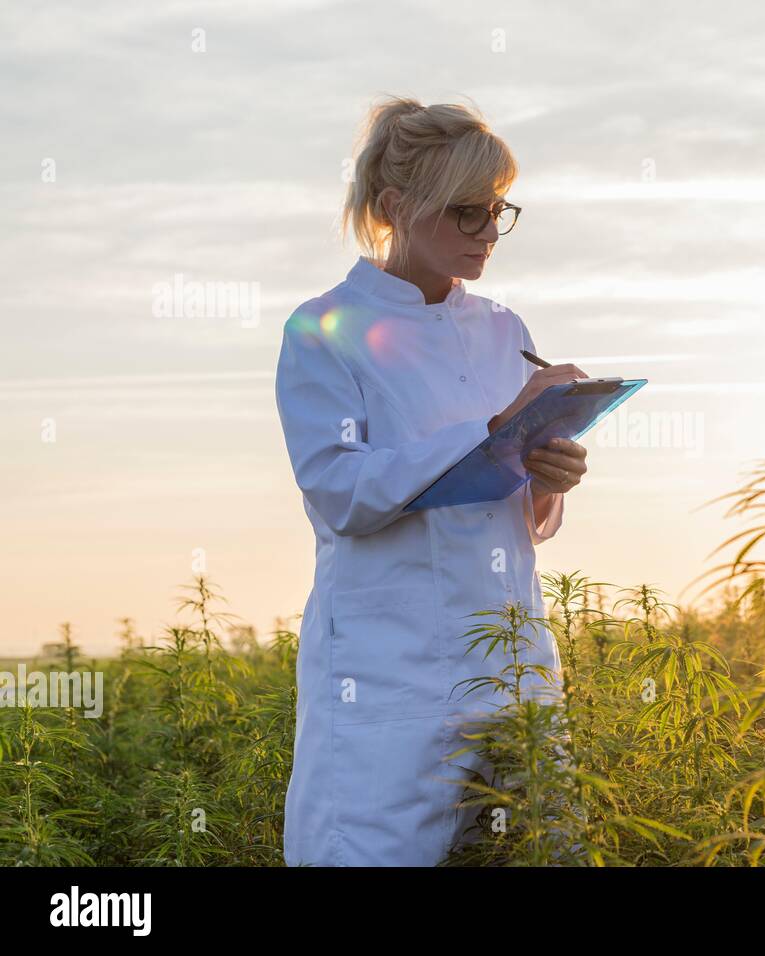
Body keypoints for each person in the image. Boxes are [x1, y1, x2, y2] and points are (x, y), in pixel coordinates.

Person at [274, 96, 589, 866]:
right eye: (466, 214)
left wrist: (548, 477)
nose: (487, 234)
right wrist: (490, 432)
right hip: (387, 674)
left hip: (510, 658)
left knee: (538, 853)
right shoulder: (323, 331)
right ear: (394, 206)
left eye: (498, 212)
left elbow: (518, 509)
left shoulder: (503, 329)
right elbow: (340, 492)